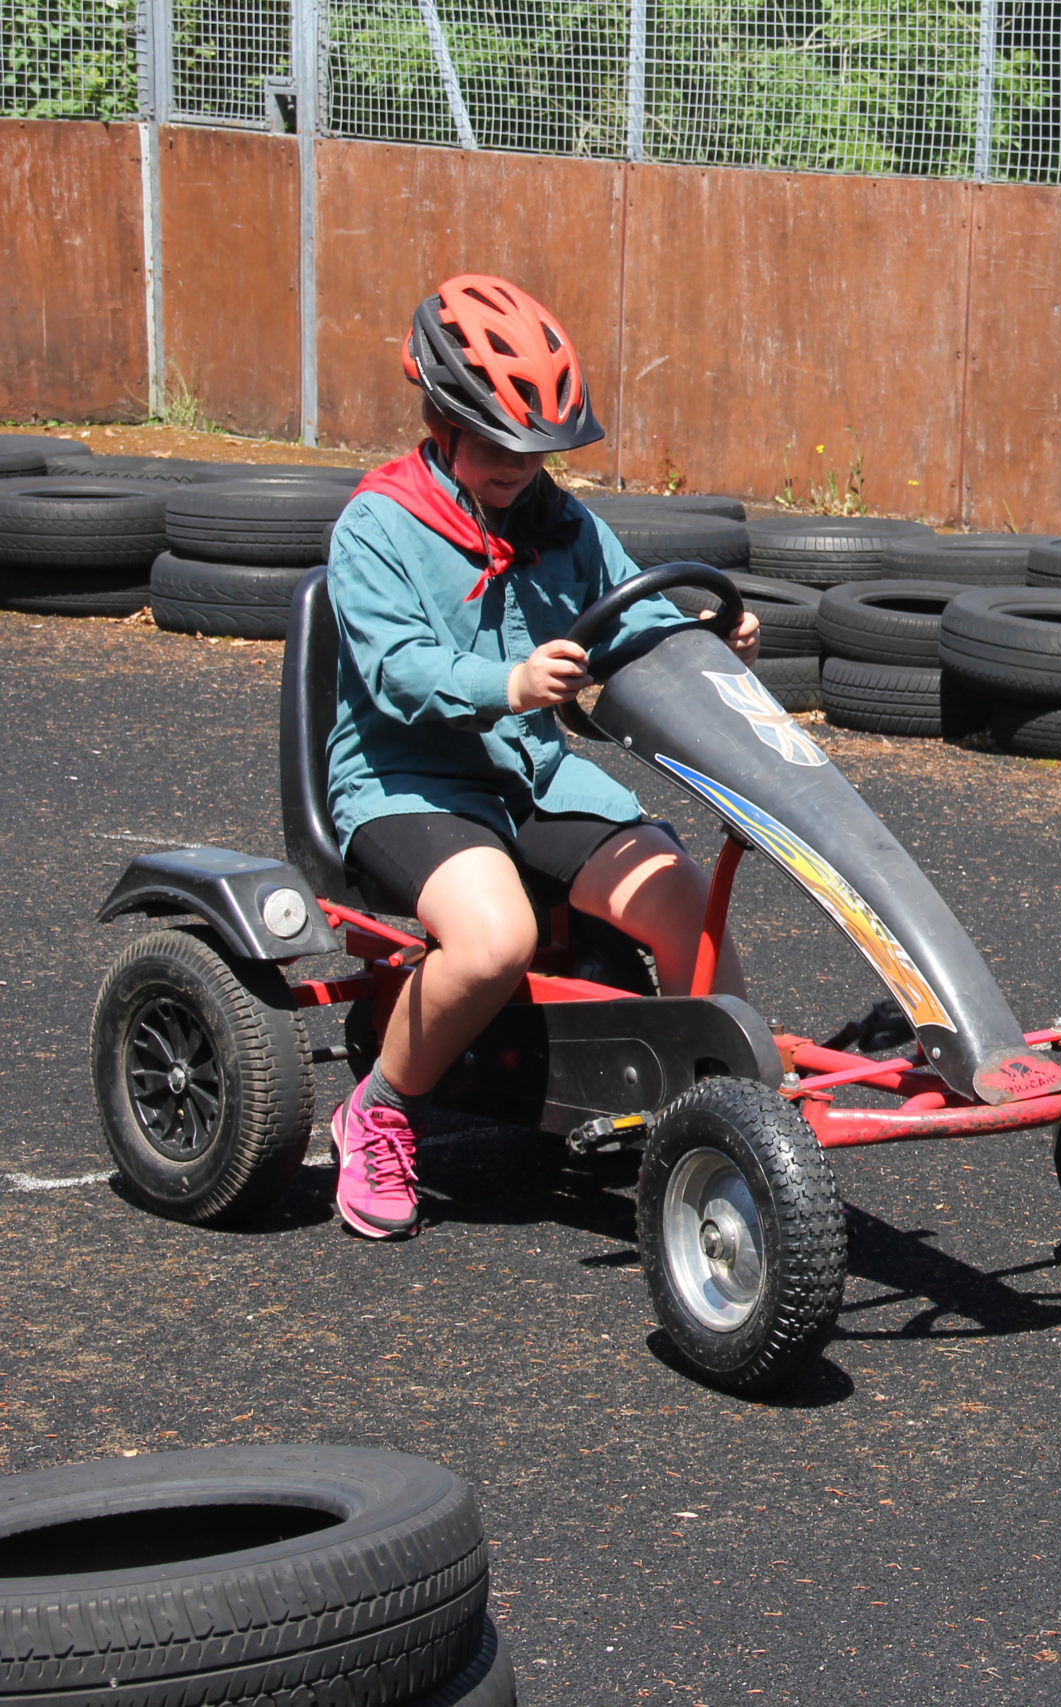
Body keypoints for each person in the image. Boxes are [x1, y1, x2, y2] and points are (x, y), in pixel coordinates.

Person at [322, 273, 761, 1240]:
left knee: (685, 900)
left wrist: (703, 638)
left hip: (532, 776)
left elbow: (636, 623)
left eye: (536, 449)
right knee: (495, 942)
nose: (520, 467)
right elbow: (397, 671)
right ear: (442, 422)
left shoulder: (563, 526)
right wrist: (510, 682)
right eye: (498, 445)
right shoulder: (377, 525)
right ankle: (380, 1109)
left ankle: (728, 1125)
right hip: (408, 784)